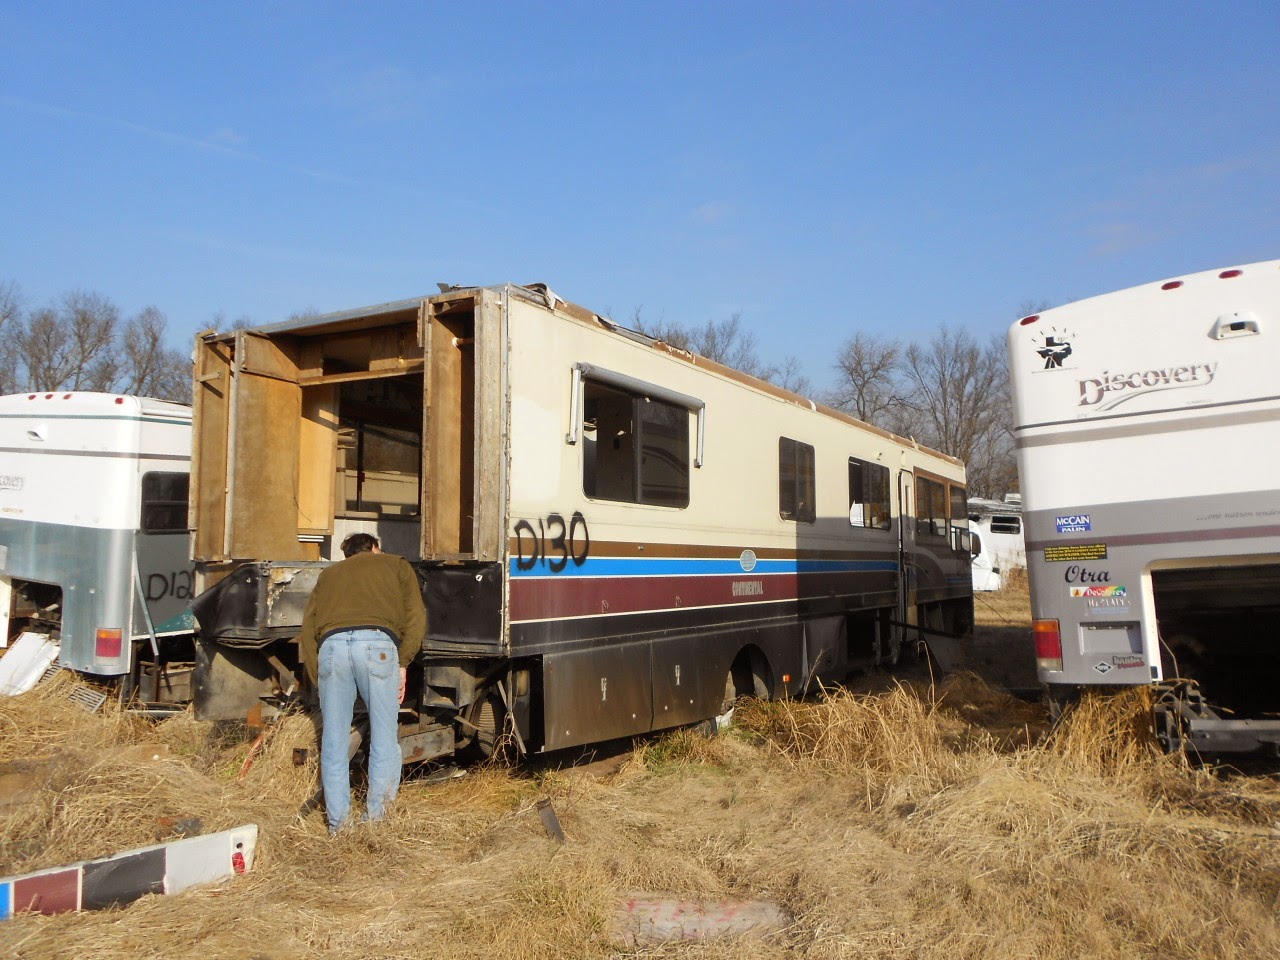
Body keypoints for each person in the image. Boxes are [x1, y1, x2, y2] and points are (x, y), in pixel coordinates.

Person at [298, 533, 427, 834]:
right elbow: (415, 616)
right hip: (377, 646)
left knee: (333, 742)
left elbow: (308, 627)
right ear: (374, 548)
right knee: (384, 738)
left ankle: (338, 826)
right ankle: (376, 821)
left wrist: (318, 676)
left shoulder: (329, 574)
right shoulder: (396, 564)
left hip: (331, 648)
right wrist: (403, 662)